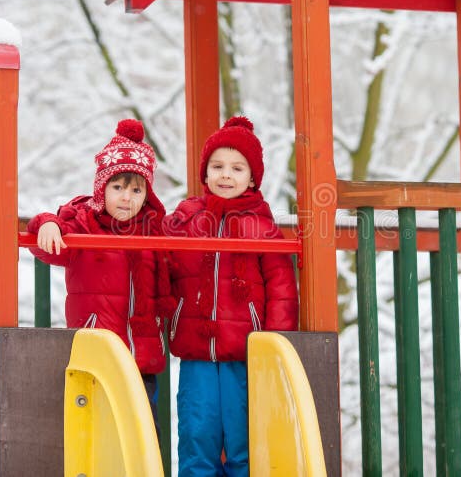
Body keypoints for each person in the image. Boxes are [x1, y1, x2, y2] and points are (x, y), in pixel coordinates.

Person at [161, 116, 298, 477]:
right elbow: (160, 257)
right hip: (196, 351)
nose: (226, 175)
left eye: (237, 168)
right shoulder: (187, 218)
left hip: (245, 354)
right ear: (205, 174)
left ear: (252, 178)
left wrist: (272, 344)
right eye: (217, 166)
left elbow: (282, 289)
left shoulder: (262, 227)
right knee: (196, 433)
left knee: (244, 440)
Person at [27, 118, 171, 433]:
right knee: (98, 435)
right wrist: (46, 223)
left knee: (142, 434)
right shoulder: (84, 223)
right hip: (97, 355)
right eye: (117, 187)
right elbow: (52, 247)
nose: (126, 197)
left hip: (140, 360)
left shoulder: (153, 230)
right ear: (101, 188)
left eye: (136, 189)